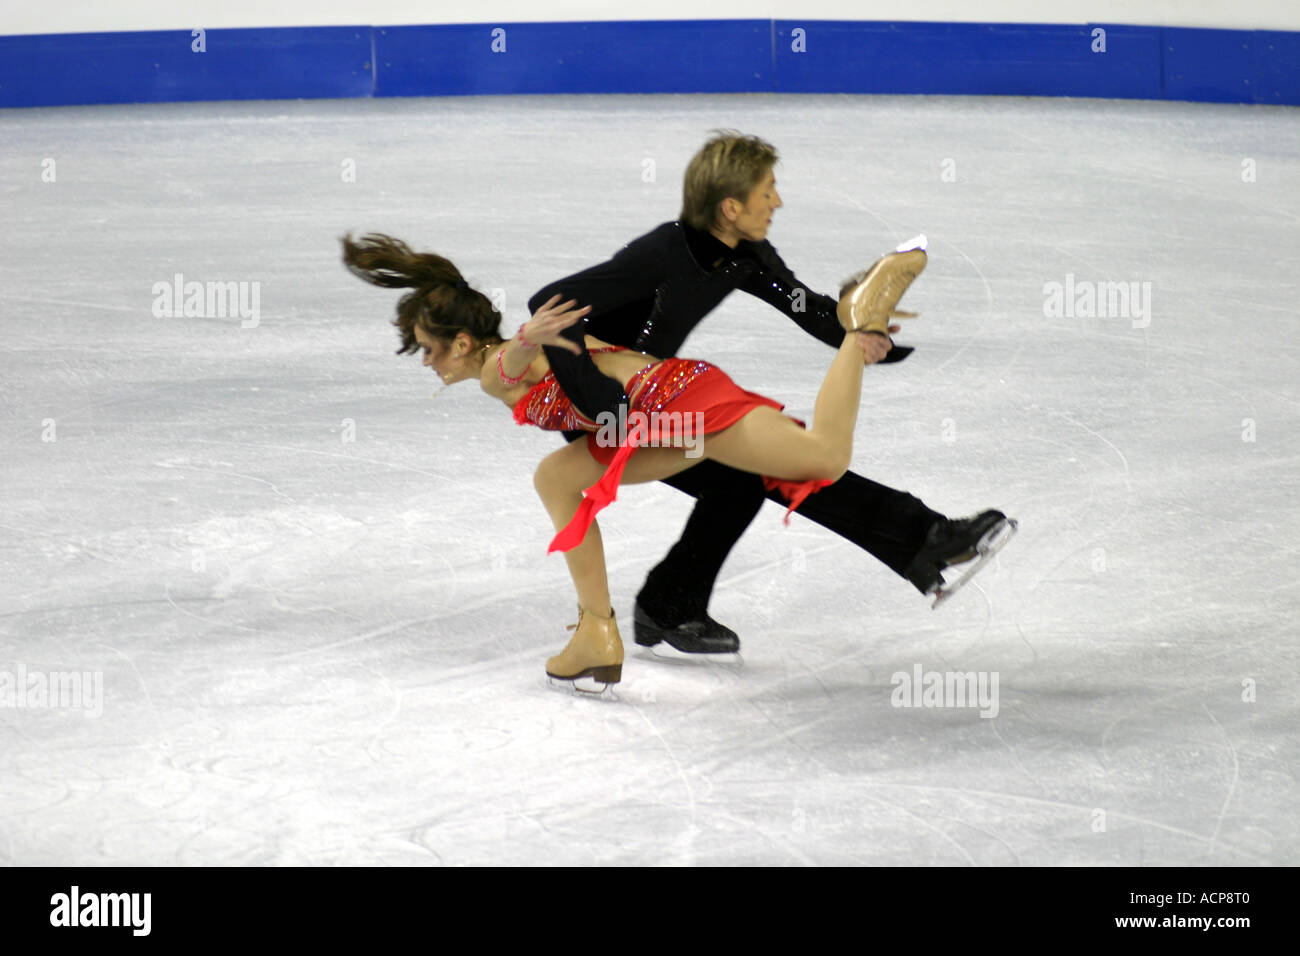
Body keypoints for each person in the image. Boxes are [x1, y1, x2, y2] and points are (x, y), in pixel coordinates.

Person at [341, 232, 947, 688]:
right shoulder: (527, 354)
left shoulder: (499, 370)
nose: (426, 362)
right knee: (559, 478)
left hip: (679, 404)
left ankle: (857, 326)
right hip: (653, 425)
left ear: (463, 342)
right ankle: (596, 633)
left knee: (823, 456)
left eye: (426, 349)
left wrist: (528, 336)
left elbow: (510, 365)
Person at [527, 132, 1012, 656]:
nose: (777, 201)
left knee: (741, 485)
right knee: (774, 469)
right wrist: (604, 403)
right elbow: (548, 304)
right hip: (603, 406)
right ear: (730, 206)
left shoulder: (746, 253)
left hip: (663, 402)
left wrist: (865, 332)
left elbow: (809, 308)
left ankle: (669, 605)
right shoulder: (662, 252)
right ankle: (926, 538)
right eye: (768, 191)